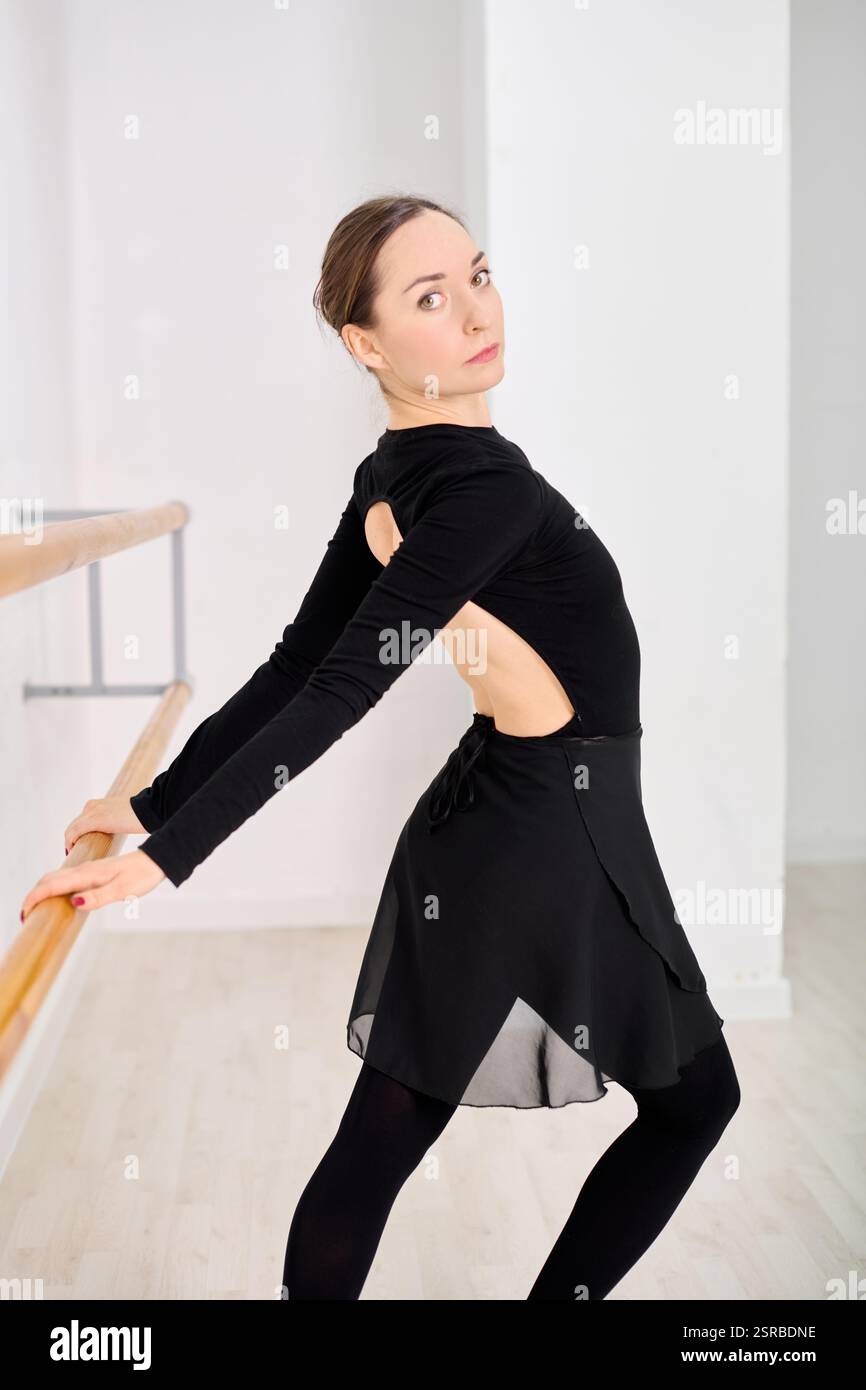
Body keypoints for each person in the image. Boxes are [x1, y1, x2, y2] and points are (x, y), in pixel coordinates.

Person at [20, 194, 740, 1300]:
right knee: (683, 1103)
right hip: (555, 831)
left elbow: (295, 669)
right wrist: (167, 846)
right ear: (365, 344)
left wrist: (161, 803)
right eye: (428, 296)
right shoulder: (475, 490)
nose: (473, 311)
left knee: (389, 1134)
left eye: (478, 275)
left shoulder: (407, 473)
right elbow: (330, 682)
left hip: (507, 824)